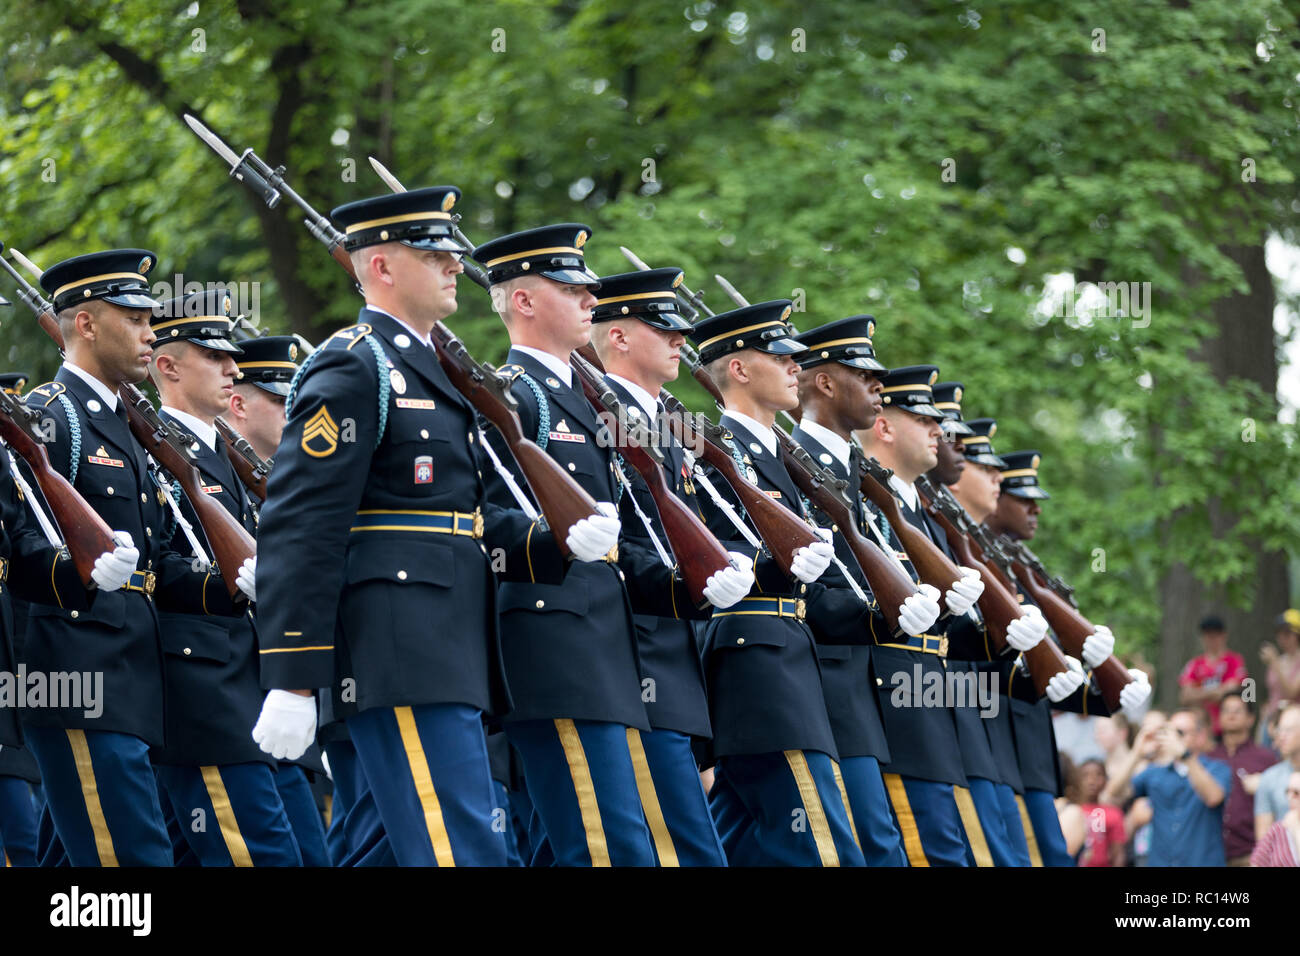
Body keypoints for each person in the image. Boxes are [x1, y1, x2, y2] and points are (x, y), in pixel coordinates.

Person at [254, 189, 583, 866]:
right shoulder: (356, 363)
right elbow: (301, 522)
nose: (455, 266)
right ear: (380, 267)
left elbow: (462, 516)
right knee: (464, 849)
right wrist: (291, 673)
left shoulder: (439, 368)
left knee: (384, 850)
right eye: (433, 254)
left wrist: (553, 542)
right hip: (401, 650)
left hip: (450, 645)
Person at [18, 248, 250, 866]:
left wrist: (223, 582)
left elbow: (159, 559)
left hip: (135, 674)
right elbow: (19, 546)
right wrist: (76, 571)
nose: (151, 333)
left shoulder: (133, 427)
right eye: (134, 318)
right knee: (132, 865)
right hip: (78, 674)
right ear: (87, 324)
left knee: (83, 865)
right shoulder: (52, 417)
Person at [474, 222, 669, 866]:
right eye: (572, 288)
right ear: (524, 302)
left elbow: (617, 530)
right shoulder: (511, 394)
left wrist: (683, 580)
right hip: (554, 645)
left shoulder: (586, 399)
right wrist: (551, 536)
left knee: (583, 847)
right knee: (607, 848)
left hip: (602, 644)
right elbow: (484, 516)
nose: (591, 300)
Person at [683, 299, 866, 866]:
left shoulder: (786, 460)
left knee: (736, 842)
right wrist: (768, 563)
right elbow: (704, 547)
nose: (796, 367)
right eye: (779, 355)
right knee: (825, 847)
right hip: (758, 665)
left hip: (789, 662)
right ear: (737, 370)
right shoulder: (714, 450)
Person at [588, 266, 755, 865]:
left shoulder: (673, 424)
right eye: (663, 329)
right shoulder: (596, 415)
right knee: (676, 844)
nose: (680, 340)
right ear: (620, 338)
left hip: (678, 652)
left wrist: (734, 560)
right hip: (635, 649)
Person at [857, 369, 1039, 866]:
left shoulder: (919, 513)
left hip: (940, 709)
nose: (940, 432)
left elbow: (947, 630)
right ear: (886, 428)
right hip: (901, 709)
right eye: (924, 419)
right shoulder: (872, 500)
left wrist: (1000, 638)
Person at [146, 288, 302, 866]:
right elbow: (149, 563)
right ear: (167, 366)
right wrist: (225, 581)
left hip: (252, 681)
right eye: (214, 356)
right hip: (205, 691)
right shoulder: (157, 449)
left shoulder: (224, 454)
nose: (233, 368)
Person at [791, 316, 936, 865]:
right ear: (825, 384)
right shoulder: (800, 461)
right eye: (865, 375)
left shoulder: (858, 472)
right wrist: (885, 615)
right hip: (824, 679)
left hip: (862, 682)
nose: (879, 386)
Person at [984, 447, 1151, 865]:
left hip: (1031, 743)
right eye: (1023, 499)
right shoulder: (985, 558)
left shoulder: (1022, 566)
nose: (1035, 509)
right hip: (995, 739)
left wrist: (1103, 692)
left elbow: (1050, 670)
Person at [229, 334, 333, 866]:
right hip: (223, 699)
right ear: (239, 404)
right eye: (280, 399)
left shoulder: (283, 484)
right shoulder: (210, 476)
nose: (296, 411)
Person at [1126, 709, 1231, 866]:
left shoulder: (1218, 769)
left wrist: (1185, 756)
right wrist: (1136, 753)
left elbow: (1213, 797)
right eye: (1170, 733)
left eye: (1180, 733)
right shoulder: (1155, 772)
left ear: (1200, 737)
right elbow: (1112, 795)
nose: (1173, 739)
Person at [1206, 690, 1277, 865]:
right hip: (1212, 854)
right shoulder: (1208, 758)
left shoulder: (1266, 758)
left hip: (1251, 853)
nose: (1231, 715)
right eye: (1226, 710)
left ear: (1250, 719)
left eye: (1237, 711)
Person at [1179, 614, 1247, 737]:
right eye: (1207, 635)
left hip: (1226, 728)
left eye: (1215, 635)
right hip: (1200, 729)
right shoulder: (1194, 664)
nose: (1211, 639)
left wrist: (1199, 693)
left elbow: (1231, 691)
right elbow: (1185, 696)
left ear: (1223, 636)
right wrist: (1216, 692)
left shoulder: (1234, 660)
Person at [1255, 703, 1300, 842]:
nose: (1281, 736)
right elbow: (1263, 841)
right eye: (1279, 730)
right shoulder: (1270, 778)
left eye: (1288, 730)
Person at [1076, 758, 1125, 867]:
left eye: (1098, 775)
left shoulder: (1114, 813)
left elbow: (1118, 853)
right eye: (1085, 776)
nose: (1091, 781)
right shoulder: (1072, 811)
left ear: (1105, 780)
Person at [1260, 610, 1300, 741]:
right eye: (1279, 633)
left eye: (1287, 633)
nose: (1282, 638)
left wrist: (1274, 662)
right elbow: (1272, 693)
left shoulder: (1275, 661)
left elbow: (1291, 692)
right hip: (1271, 721)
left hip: (1292, 724)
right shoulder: (1278, 660)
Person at [1250, 769, 1300, 866]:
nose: (1290, 797)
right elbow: (1257, 862)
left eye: (1296, 793)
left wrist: (1296, 830)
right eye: (1288, 792)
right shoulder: (1278, 829)